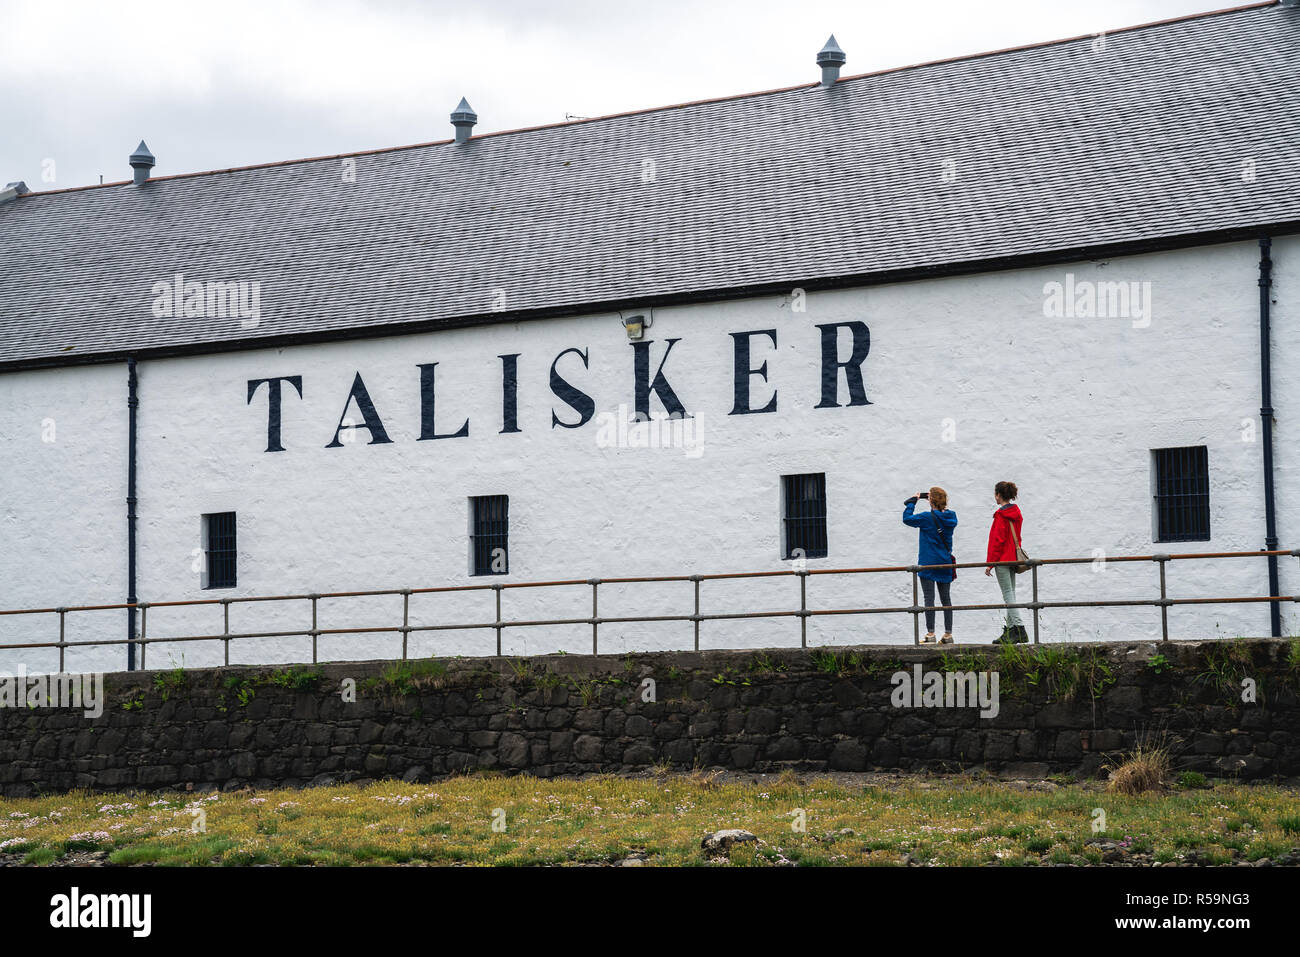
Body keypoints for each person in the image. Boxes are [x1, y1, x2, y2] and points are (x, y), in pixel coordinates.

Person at [903, 487, 958, 644]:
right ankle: (948, 635)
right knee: (946, 599)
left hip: (928, 563)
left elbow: (907, 518)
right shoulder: (952, 517)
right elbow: (943, 515)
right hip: (945, 562)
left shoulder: (927, 517)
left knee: (929, 599)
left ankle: (931, 634)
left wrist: (913, 501)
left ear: (931, 500)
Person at [985, 481, 1027, 643]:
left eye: (995, 494)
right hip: (1013, 558)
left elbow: (997, 541)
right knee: (1012, 593)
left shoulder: (1001, 515)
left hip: (1002, 559)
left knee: (1008, 594)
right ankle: (1010, 631)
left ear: (999, 495)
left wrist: (990, 563)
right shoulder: (1016, 512)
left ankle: (1019, 629)